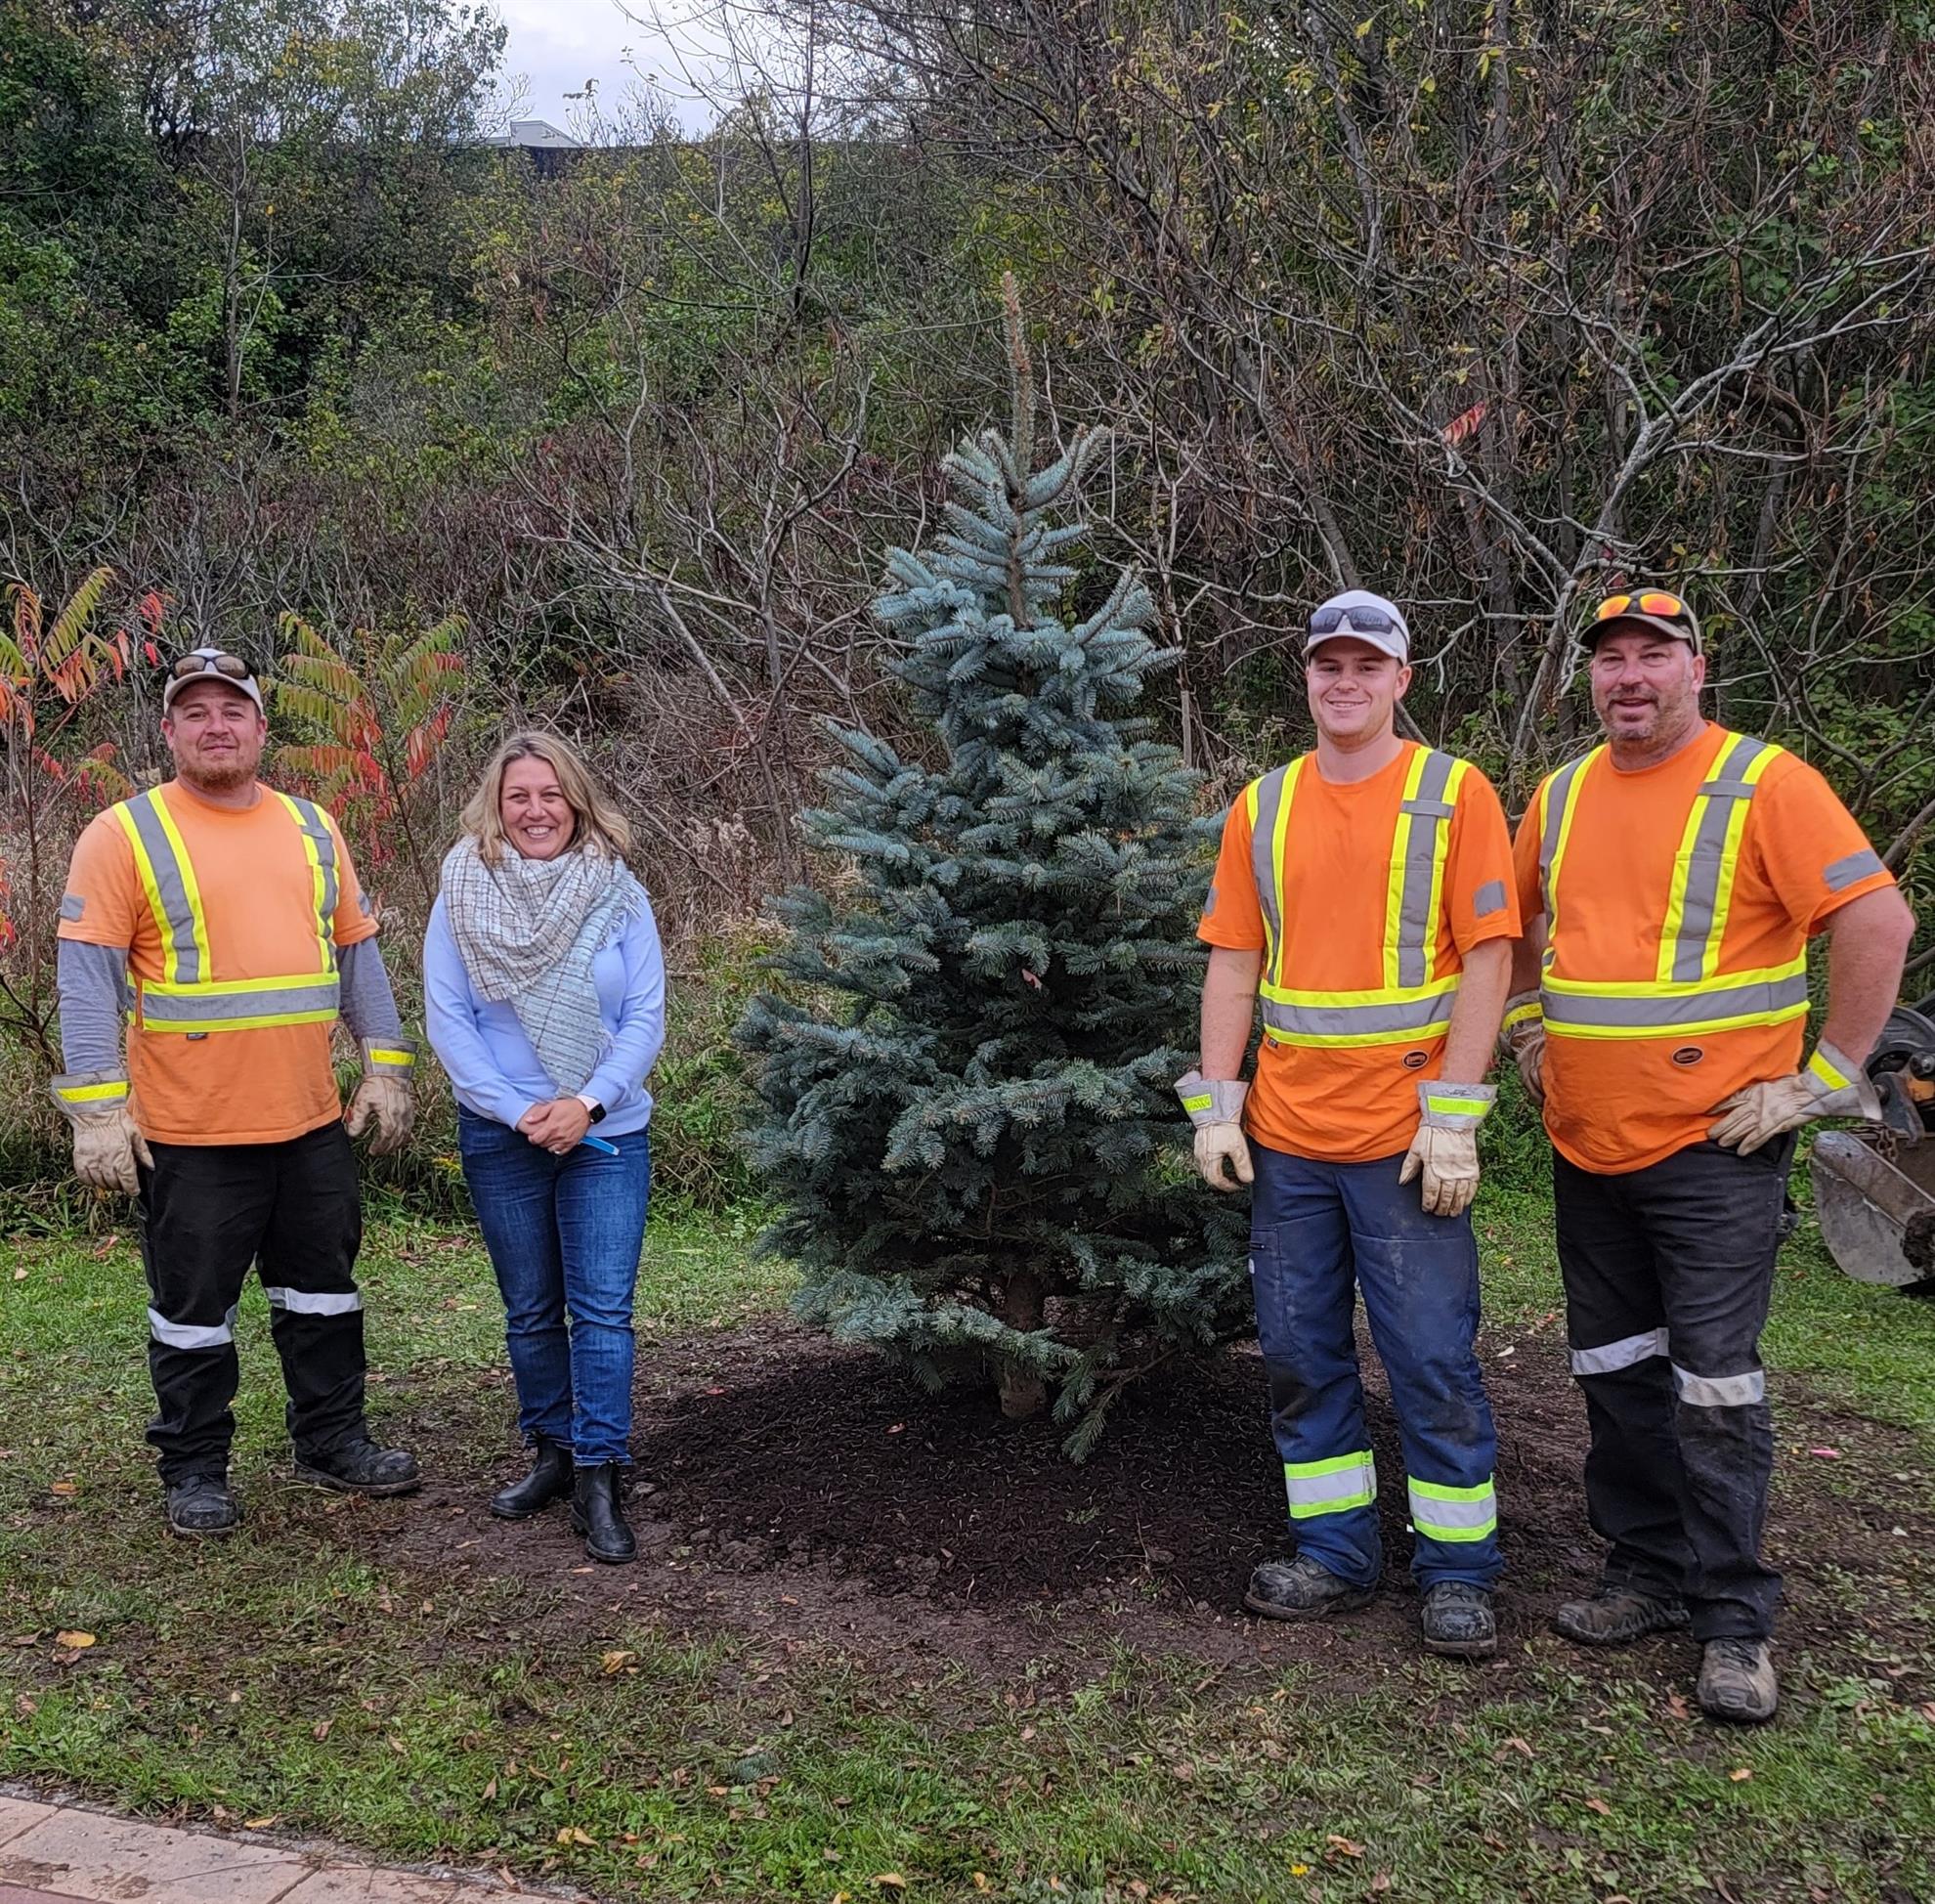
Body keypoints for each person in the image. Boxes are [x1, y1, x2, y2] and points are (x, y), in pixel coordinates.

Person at [1506, 589, 1914, 1723]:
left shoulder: (1763, 783)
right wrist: (1531, 1028)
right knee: (1615, 1368)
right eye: (1610, 660)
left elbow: (1877, 921)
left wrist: (1826, 1079)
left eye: (1653, 656)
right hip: (1587, 1146)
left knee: (1715, 1380)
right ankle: (1643, 1570)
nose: (1628, 676)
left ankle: (1735, 1617)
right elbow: (1515, 926)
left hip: (1714, 1153)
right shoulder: (1566, 792)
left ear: (1696, 669)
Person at [1178, 589, 1519, 1659]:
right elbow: (1235, 959)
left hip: (1405, 1145)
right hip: (1290, 1143)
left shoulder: (1454, 793)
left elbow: (1491, 958)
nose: (1345, 680)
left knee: (1428, 1359)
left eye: (1367, 665)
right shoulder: (1262, 807)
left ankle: (1458, 1570)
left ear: (1401, 679)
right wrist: (1216, 1103)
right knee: (1300, 1354)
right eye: (1328, 663)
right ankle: (1334, 1554)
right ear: (1308, 676)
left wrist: (1456, 1114)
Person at [52, 648, 420, 1536]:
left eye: (233, 710)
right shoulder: (123, 833)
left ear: (261, 727)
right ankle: (196, 1469)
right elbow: (86, 977)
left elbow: (356, 950)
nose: (216, 725)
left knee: (324, 1294)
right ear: (170, 731)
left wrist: (387, 1063)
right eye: (196, 712)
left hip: (308, 1122)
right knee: (192, 1315)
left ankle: (332, 1441)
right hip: (189, 1130)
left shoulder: (310, 824)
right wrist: (98, 1110)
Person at [425, 731, 666, 1565]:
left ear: (577, 802)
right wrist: (519, 1109)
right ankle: (553, 1454)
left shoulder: (620, 894)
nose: (535, 810)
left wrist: (587, 1103)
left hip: (606, 1132)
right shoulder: (461, 889)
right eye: (518, 796)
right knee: (529, 1309)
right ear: (496, 805)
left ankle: (600, 1470)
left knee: (601, 1309)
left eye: (551, 795)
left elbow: (643, 1019)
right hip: (504, 1134)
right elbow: (448, 1020)